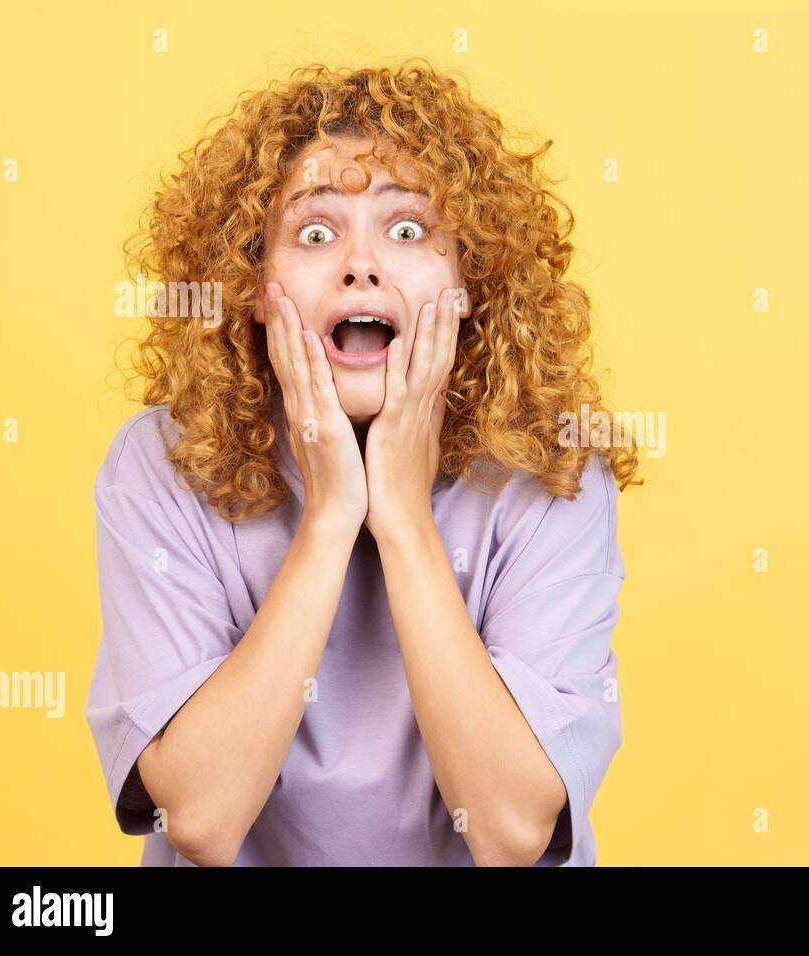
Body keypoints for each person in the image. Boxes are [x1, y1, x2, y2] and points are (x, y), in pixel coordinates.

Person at [85, 59, 641, 866]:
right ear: (252, 284)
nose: (360, 264)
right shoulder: (161, 466)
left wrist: (406, 523)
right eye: (315, 234)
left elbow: (511, 829)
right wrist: (331, 517)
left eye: (408, 230)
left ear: (468, 282)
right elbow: (201, 818)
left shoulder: (551, 474)